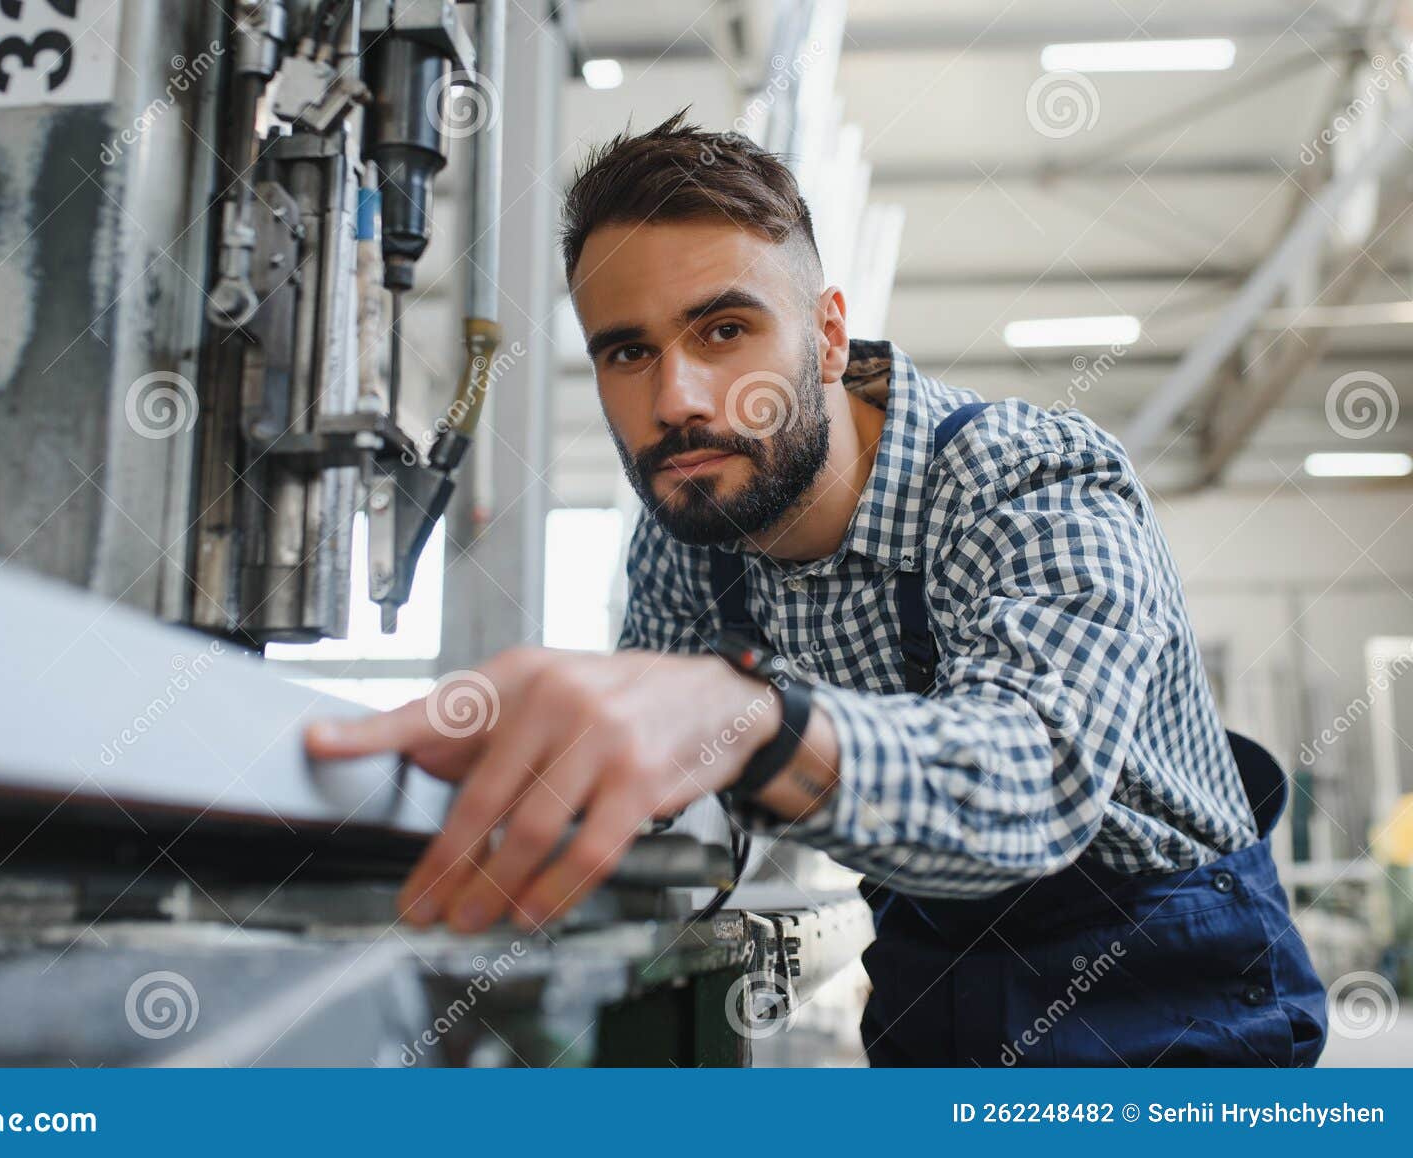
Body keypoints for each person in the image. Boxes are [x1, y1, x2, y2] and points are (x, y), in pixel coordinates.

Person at [306, 114, 1327, 1065]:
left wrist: (754, 722)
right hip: (937, 985)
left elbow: (1037, 776)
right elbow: (666, 792)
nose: (675, 402)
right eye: (627, 351)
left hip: (1173, 997)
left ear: (829, 337)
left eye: (723, 331)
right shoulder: (692, 530)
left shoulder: (1031, 479)